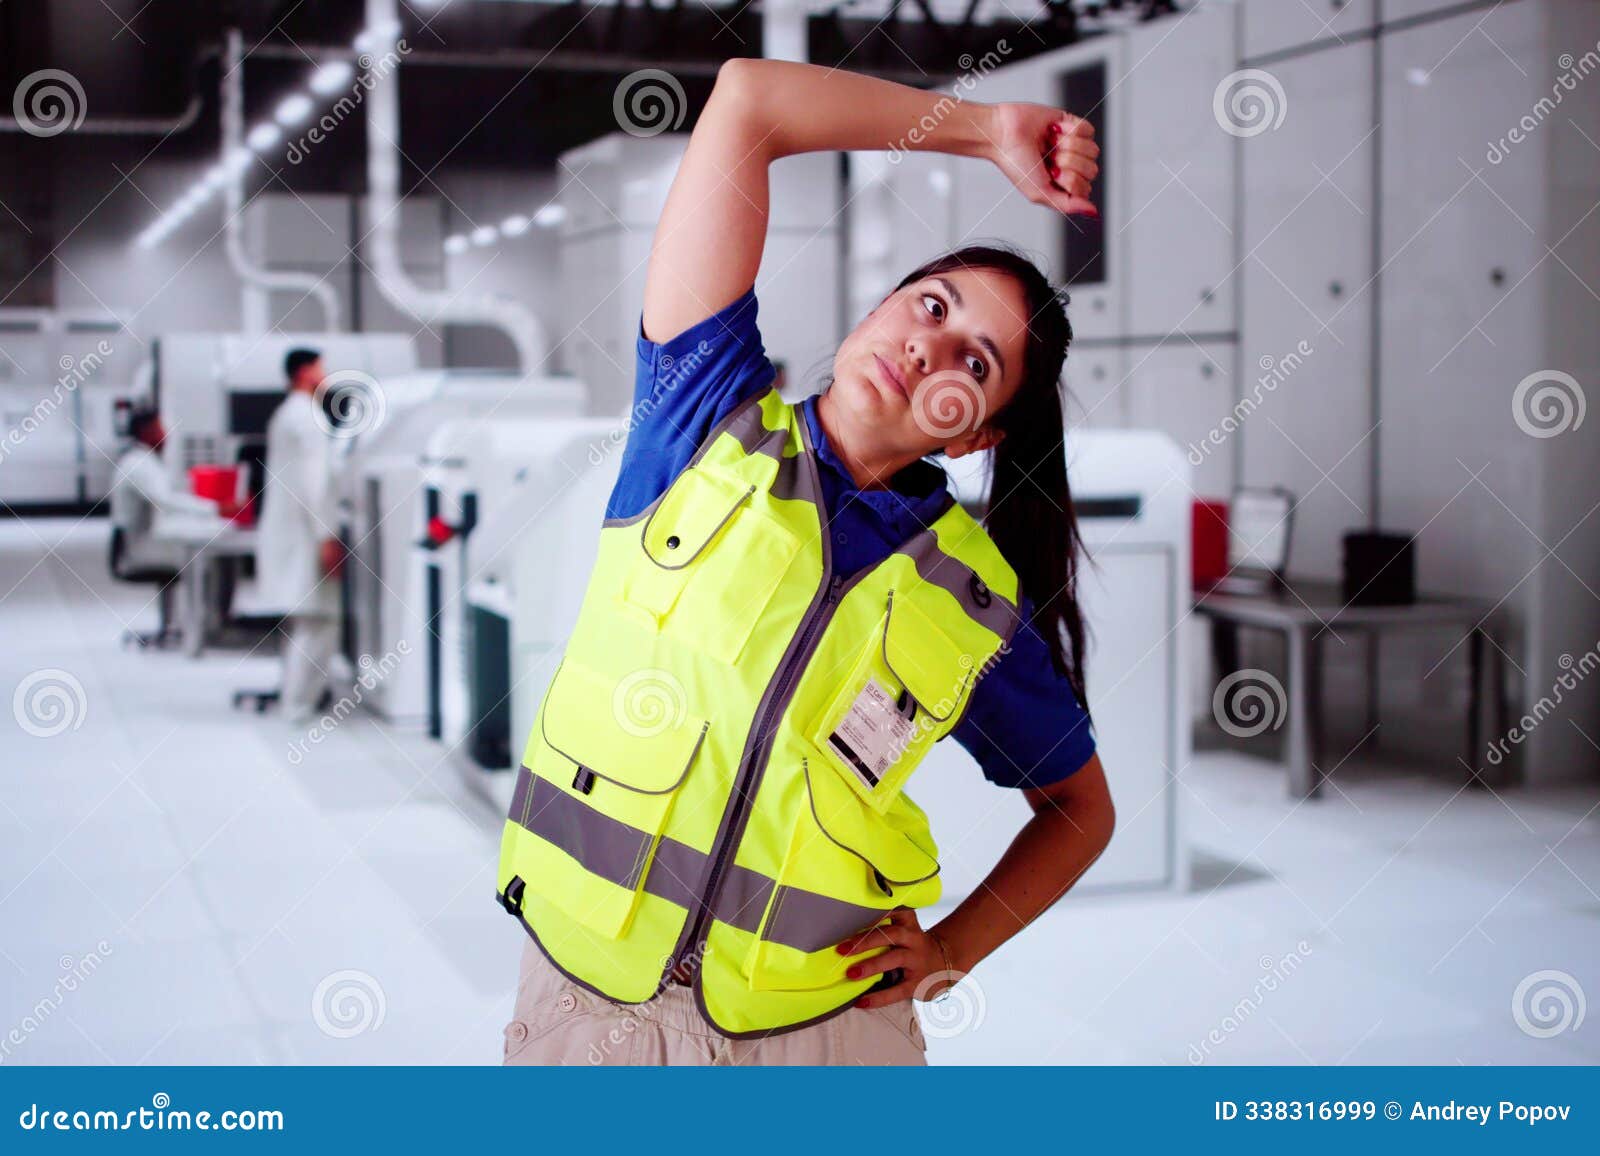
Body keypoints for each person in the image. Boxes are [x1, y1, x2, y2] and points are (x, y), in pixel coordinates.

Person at [499, 57, 1114, 1066]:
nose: (931, 349)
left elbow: (1080, 812)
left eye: (974, 361)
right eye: (931, 306)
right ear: (881, 307)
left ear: (973, 437)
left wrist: (952, 949)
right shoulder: (702, 414)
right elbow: (747, 97)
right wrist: (986, 127)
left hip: (821, 1036)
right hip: (591, 1010)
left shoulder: (973, 602)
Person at [258, 348, 346, 724]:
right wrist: (328, 536)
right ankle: (299, 706)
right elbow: (316, 482)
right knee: (319, 621)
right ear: (305, 372)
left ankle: (292, 698)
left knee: (302, 622)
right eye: (321, 368)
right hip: (306, 535)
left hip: (289, 532)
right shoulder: (308, 418)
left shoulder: (286, 414)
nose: (325, 376)